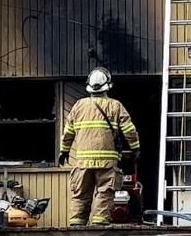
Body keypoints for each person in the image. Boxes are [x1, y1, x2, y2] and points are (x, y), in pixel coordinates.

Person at [59, 67, 140, 226]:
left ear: (89, 85)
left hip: (82, 162)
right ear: (108, 85)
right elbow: (129, 130)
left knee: (80, 195)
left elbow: (68, 132)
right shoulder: (115, 106)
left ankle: (76, 227)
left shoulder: (78, 106)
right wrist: (135, 148)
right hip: (107, 162)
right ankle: (98, 226)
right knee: (105, 193)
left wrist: (64, 151)